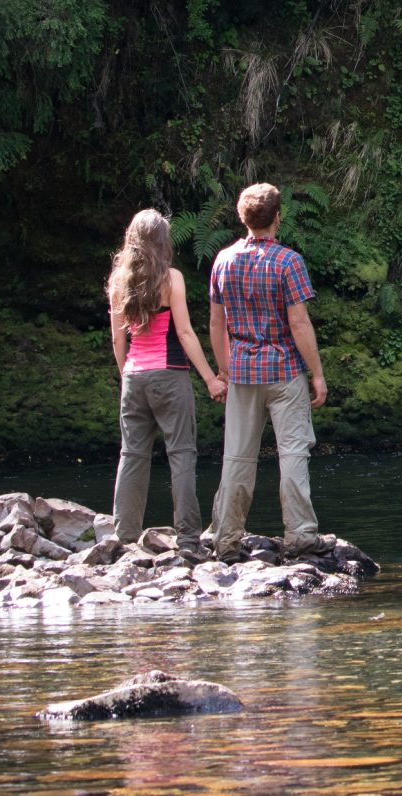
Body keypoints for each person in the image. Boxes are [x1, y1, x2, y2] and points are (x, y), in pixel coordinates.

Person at [207, 181, 326, 549]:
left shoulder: (223, 260)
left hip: (242, 372)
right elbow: (299, 323)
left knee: (238, 456)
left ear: (244, 219)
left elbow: (216, 323)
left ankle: (226, 538)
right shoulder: (289, 261)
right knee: (292, 453)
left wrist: (224, 369)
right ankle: (301, 535)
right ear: (277, 217)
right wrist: (317, 374)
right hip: (284, 370)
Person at [106, 209, 225, 545]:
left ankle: (125, 536)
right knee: (182, 453)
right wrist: (211, 380)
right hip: (170, 376)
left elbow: (118, 340)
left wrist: (127, 376)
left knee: (131, 456)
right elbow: (185, 334)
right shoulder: (171, 279)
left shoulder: (118, 281)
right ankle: (188, 539)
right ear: (163, 241)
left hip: (134, 377)